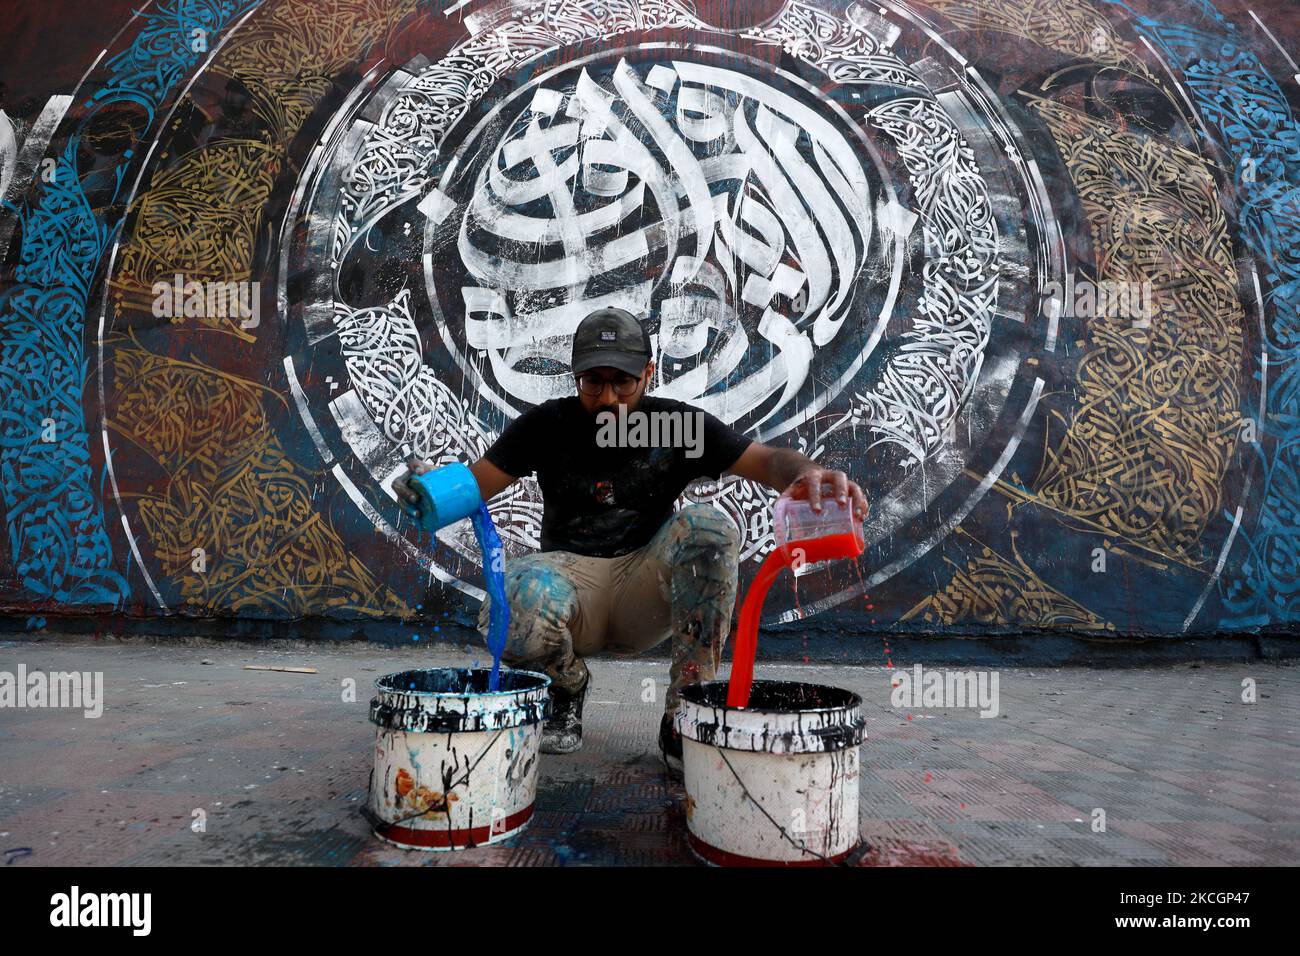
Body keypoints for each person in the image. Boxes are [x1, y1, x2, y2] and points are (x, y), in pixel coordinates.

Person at [392, 307, 868, 778]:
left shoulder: (674, 426)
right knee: (514, 594)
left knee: (711, 529)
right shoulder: (548, 426)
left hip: (644, 583)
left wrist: (806, 474)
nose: (607, 398)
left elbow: (767, 461)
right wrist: (427, 491)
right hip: (570, 585)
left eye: (623, 382)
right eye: (592, 383)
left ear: (648, 372)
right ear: (575, 377)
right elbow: (473, 488)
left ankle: (685, 713)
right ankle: (564, 687)